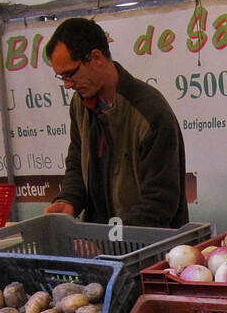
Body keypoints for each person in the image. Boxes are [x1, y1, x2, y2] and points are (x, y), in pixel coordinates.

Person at [42, 17, 188, 229]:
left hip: (148, 249)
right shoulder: (80, 104)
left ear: (96, 57)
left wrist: (110, 239)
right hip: (100, 239)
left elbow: (160, 202)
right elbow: (76, 163)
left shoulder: (150, 111)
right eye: (61, 77)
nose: (67, 85)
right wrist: (68, 200)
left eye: (70, 74)